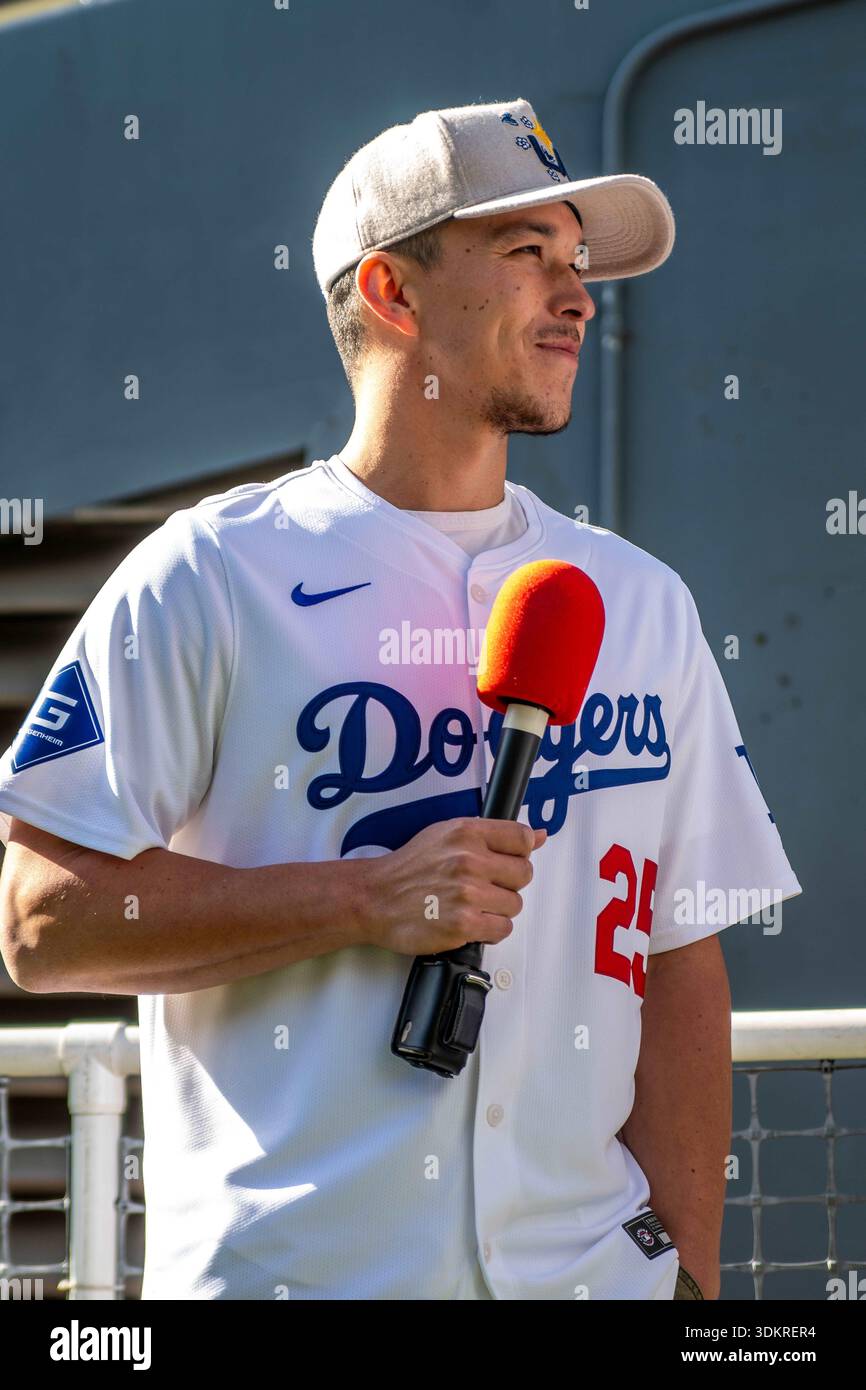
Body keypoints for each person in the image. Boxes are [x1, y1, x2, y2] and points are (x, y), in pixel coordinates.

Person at [0, 98, 801, 1301]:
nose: (577, 297)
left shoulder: (640, 601)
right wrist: (357, 897)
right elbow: (39, 924)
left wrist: (688, 1276)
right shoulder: (210, 573)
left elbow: (682, 955)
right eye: (528, 257)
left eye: (577, 264)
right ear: (390, 291)